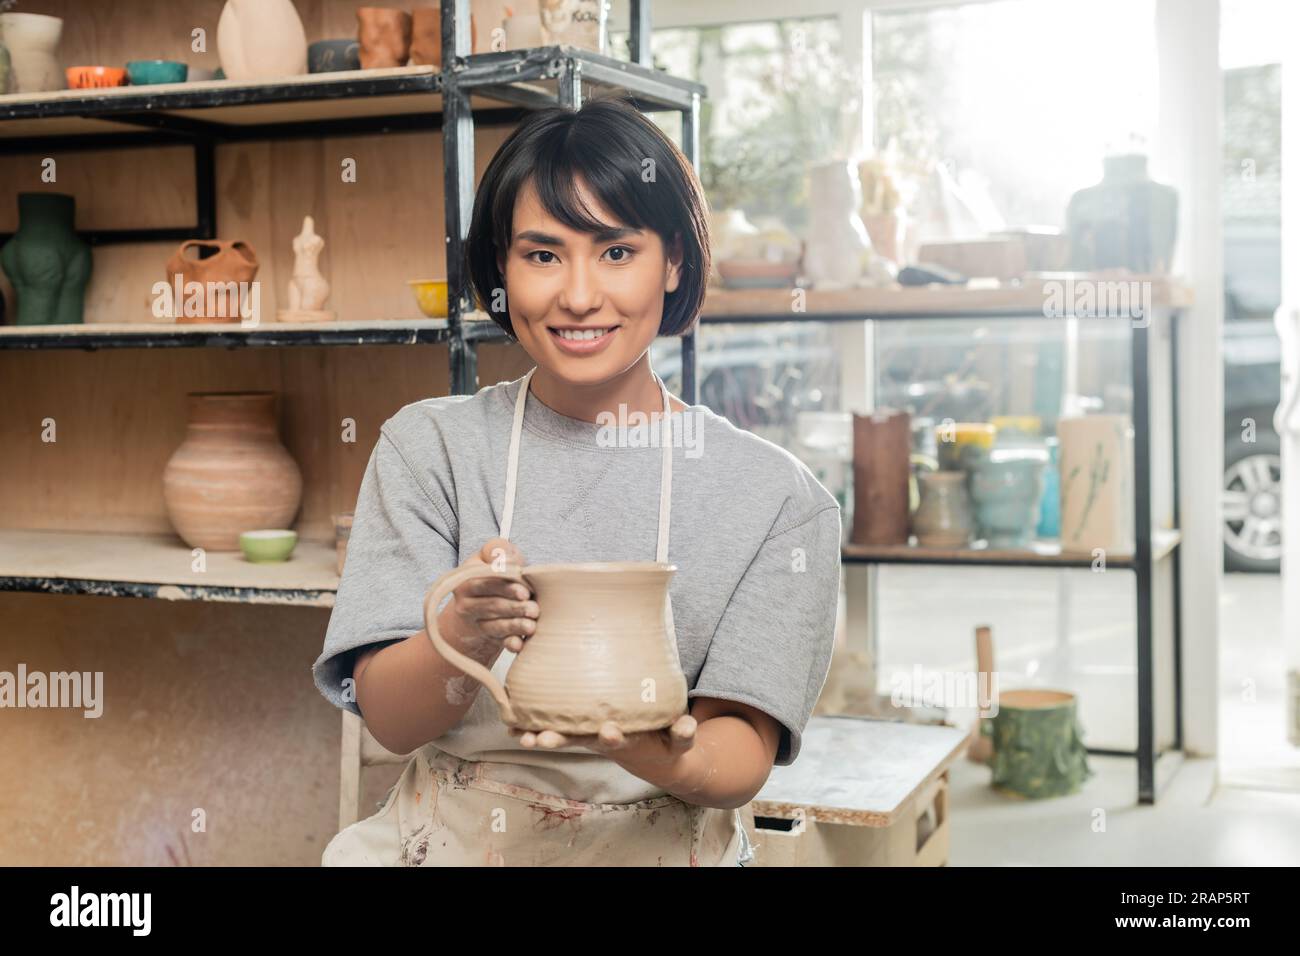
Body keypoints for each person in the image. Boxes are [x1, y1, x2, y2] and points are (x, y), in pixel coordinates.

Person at [312, 96, 841, 866]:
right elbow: (390, 723)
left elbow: (742, 749)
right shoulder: (429, 447)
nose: (579, 295)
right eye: (542, 254)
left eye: (618, 252)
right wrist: (462, 630)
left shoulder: (779, 502)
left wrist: (657, 751)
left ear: (675, 264)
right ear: (500, 268)